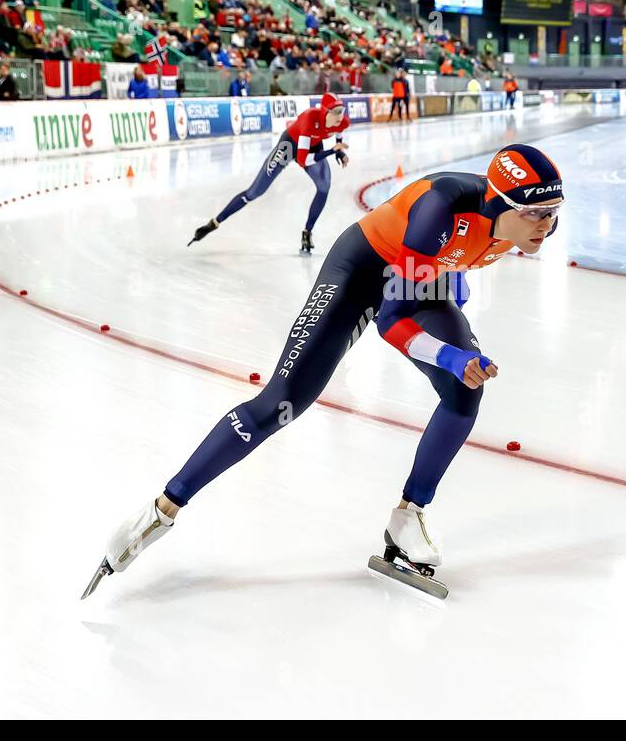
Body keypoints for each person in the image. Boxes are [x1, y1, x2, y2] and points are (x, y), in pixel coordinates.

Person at [82, 145, 566, 600]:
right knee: (280, 405)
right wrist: (454, 356)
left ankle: (408, 516)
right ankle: (162, 509)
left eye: (553, 213)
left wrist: (454, 313)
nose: (546, 225)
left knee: (464, 395)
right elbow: (391, 321)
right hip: (360, 273)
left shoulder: (511, 225)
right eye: (536, 214)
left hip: (420, 277)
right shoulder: (442, 207)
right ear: (499, 202)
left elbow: (451, 265)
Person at [189, 92, 350, 255]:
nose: (339, 116)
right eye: (335, 112)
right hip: (289, 146)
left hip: (312, 147)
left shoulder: (342, 122)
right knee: (254, 192)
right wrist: (331, 151)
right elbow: (303, 160)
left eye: (341, 111)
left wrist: (340, 153)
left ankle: (307, 232)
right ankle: (215, 222)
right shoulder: (310, 118)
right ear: (324, 112)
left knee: (324, 187)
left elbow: (338, 139)